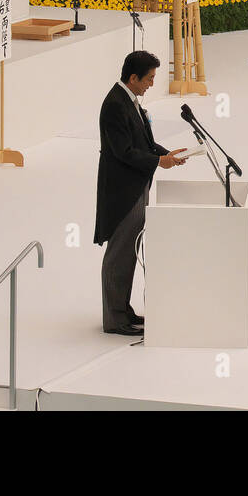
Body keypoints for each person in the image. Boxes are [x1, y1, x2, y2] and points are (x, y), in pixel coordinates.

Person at [94, 51, 189, 336]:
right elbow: (124, 152)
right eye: (149, 78)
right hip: (123, 191)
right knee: (120, 254)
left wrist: (164, 153)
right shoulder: (114, 105)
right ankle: (114, 319)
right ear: (133, 77)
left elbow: (143, 142)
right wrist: (160, 161)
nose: (151, 84)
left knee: (129, 252)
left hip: (136, 185)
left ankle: (122, 309)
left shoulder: (130, 101)